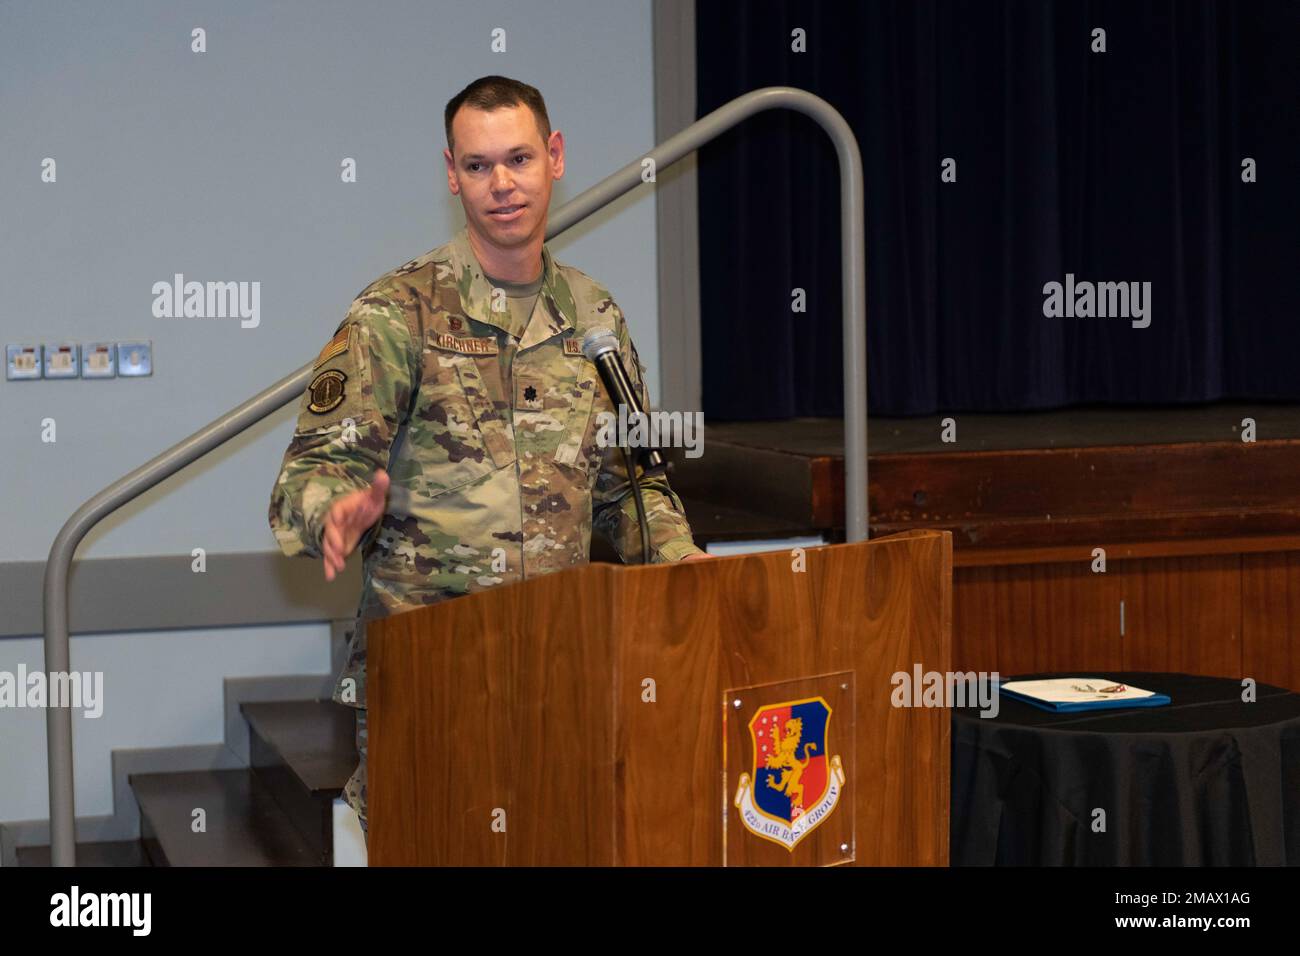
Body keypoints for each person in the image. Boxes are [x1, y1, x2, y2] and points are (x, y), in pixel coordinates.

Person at [267, 75, 708, 847]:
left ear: (555, 157)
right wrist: (330, 514)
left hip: (566, 675)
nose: (501, 185)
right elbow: (310, 473)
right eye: (478, 167)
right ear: (451, 174)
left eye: (518, 159)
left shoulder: (595, 316)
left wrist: (689, 568)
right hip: (434, 685)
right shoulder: (398, 312)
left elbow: (631, 485)